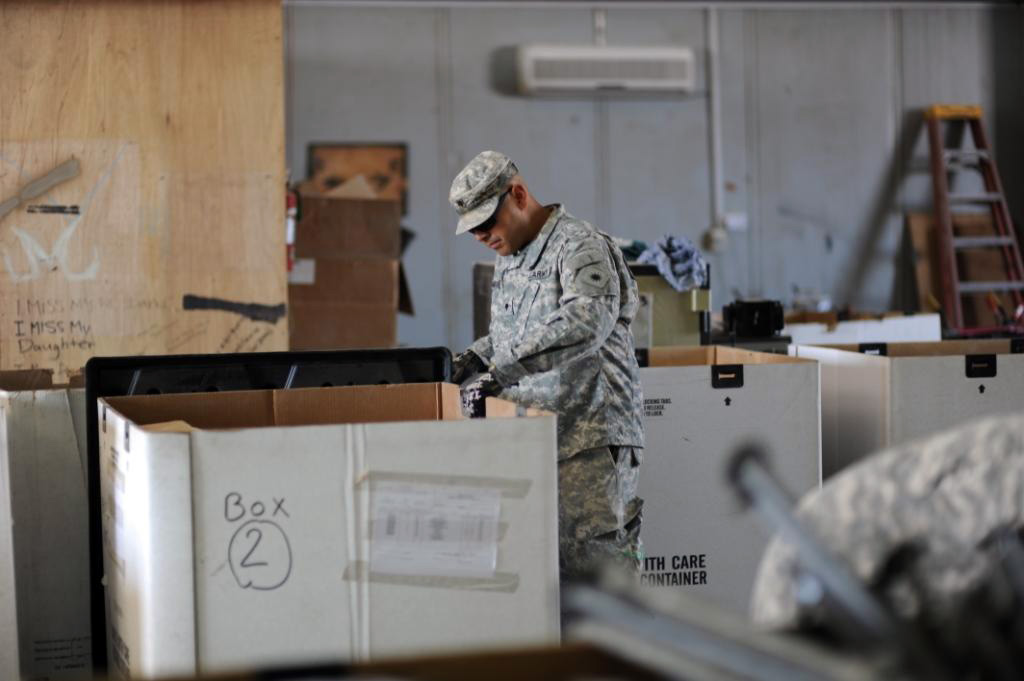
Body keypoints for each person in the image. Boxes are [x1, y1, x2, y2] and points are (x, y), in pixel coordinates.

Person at [448, 150, 645, 580]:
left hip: (589, 442)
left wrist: (499, 373)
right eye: (473, 229)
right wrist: (470, 360)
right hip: (538, 439)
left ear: (518, 195)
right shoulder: (511, 256)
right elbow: (512, 337)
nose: (481, 235)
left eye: (487, 221)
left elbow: (587, 321)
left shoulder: (579, 245)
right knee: (545, 586)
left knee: (601, 583)